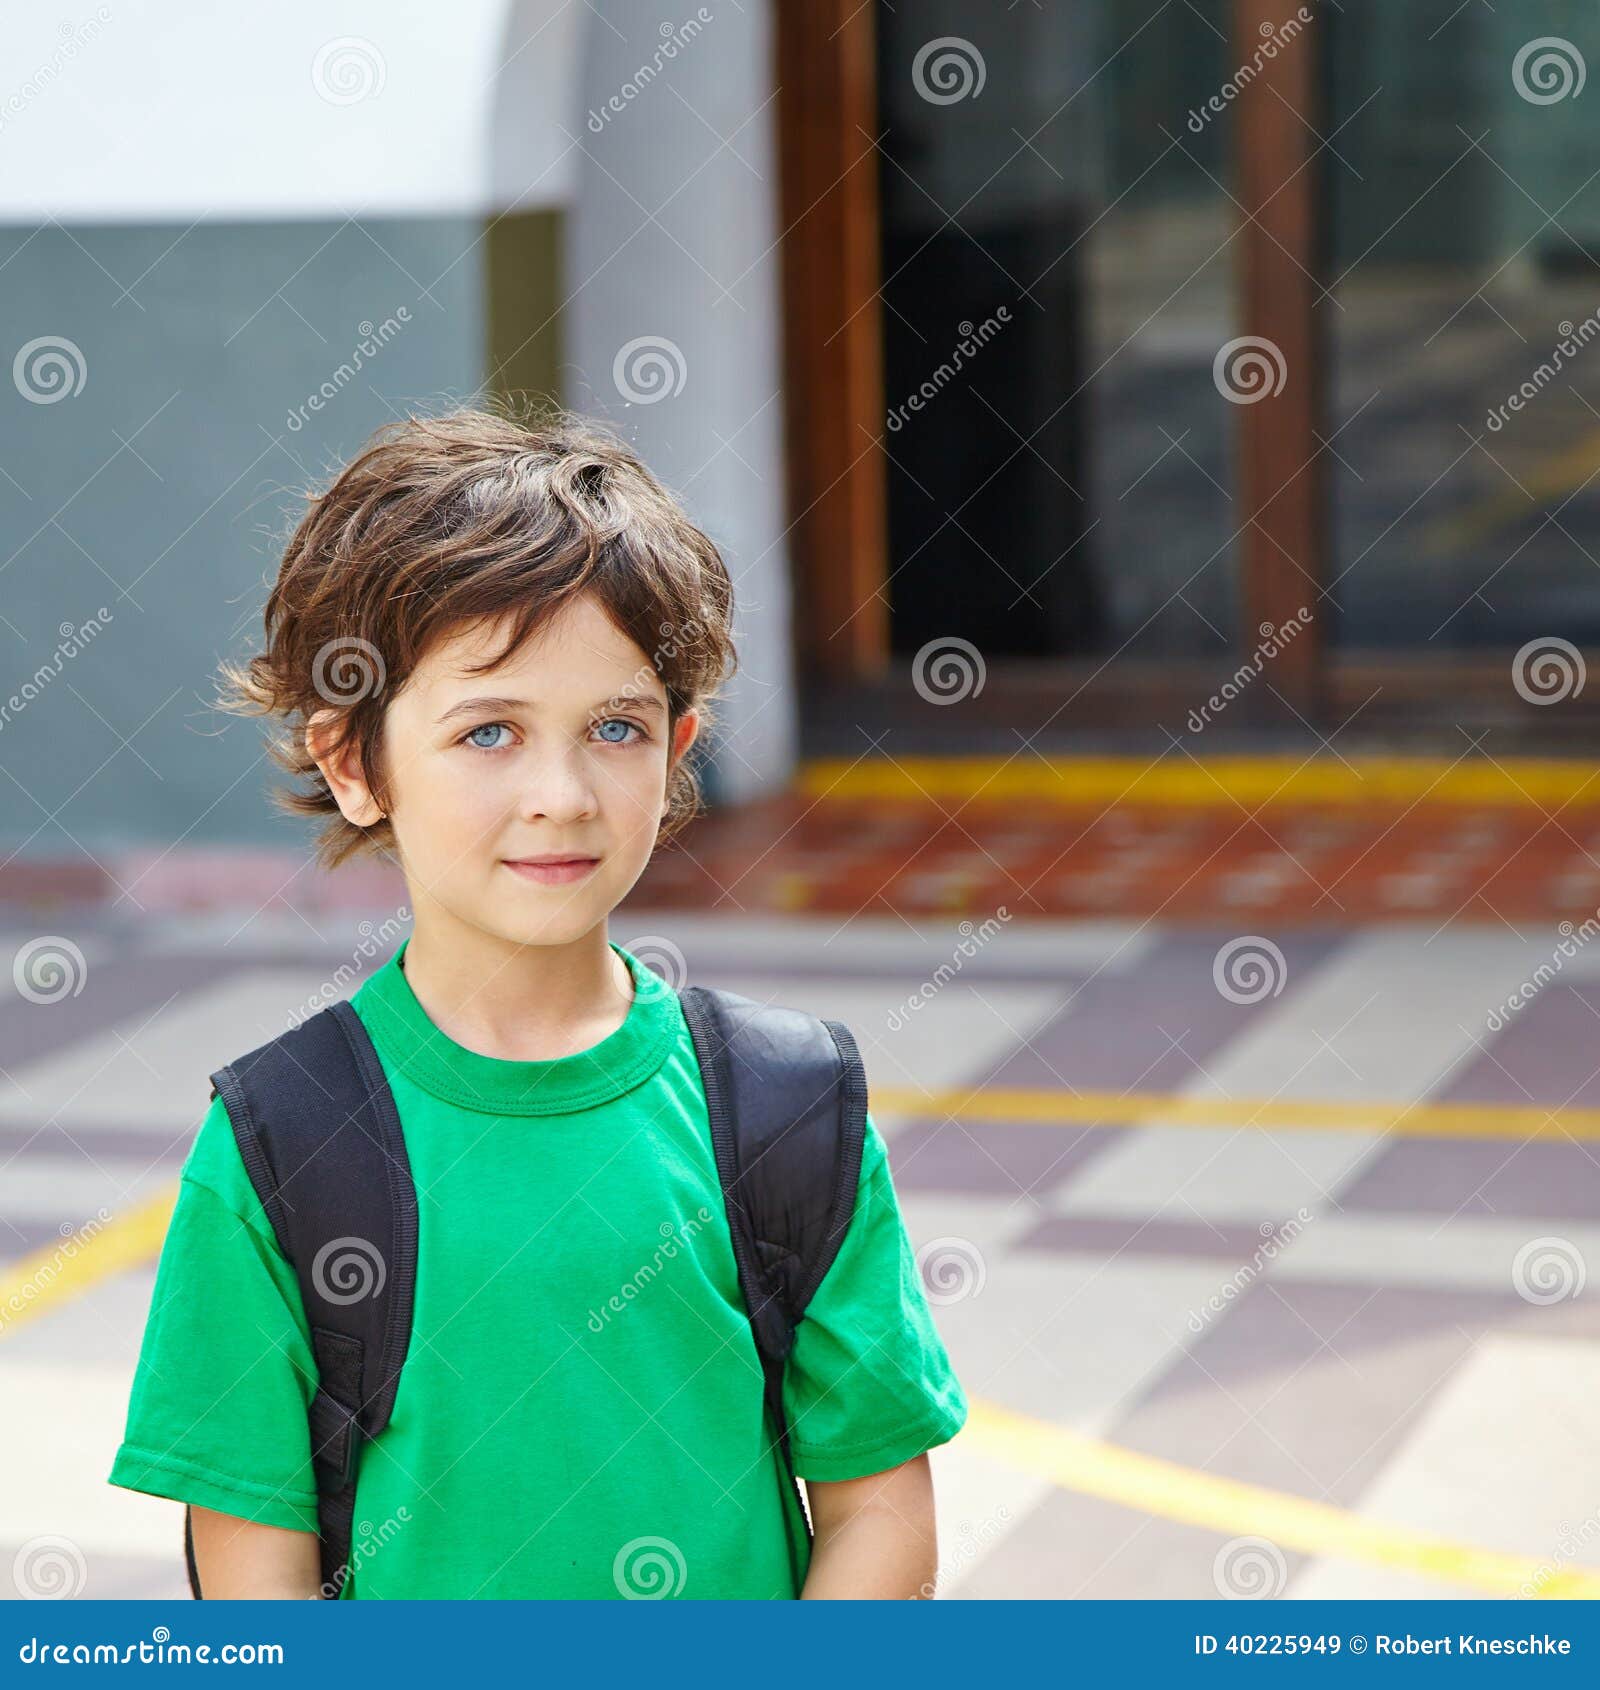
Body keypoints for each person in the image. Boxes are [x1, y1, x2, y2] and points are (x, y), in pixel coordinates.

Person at [107, 404, 968, 1599]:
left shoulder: (786, 1108)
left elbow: (879, 1507)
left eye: (615, 727)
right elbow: (254, 1583)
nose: (561, 792)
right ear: (355, 765)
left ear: (677, 756)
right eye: (489, 730)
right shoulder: (279, 1140)